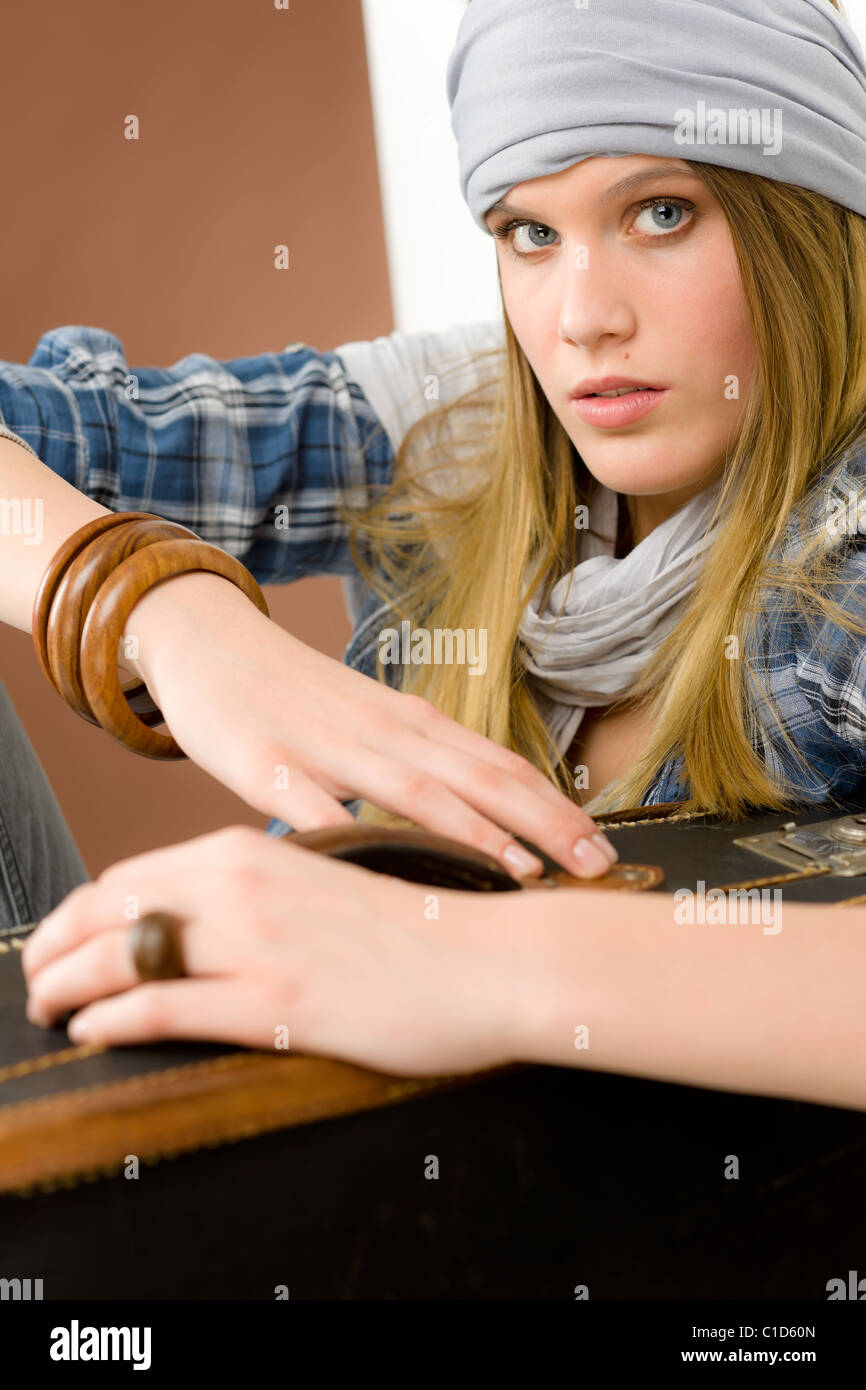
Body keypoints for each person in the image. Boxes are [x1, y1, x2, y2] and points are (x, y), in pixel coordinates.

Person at [7, 0, 866, 1110]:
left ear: (810, 221)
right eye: (528, 234)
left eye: (661, 212)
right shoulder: (451, 425)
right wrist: (159, 608)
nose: (579, 319)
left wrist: (461, 961)